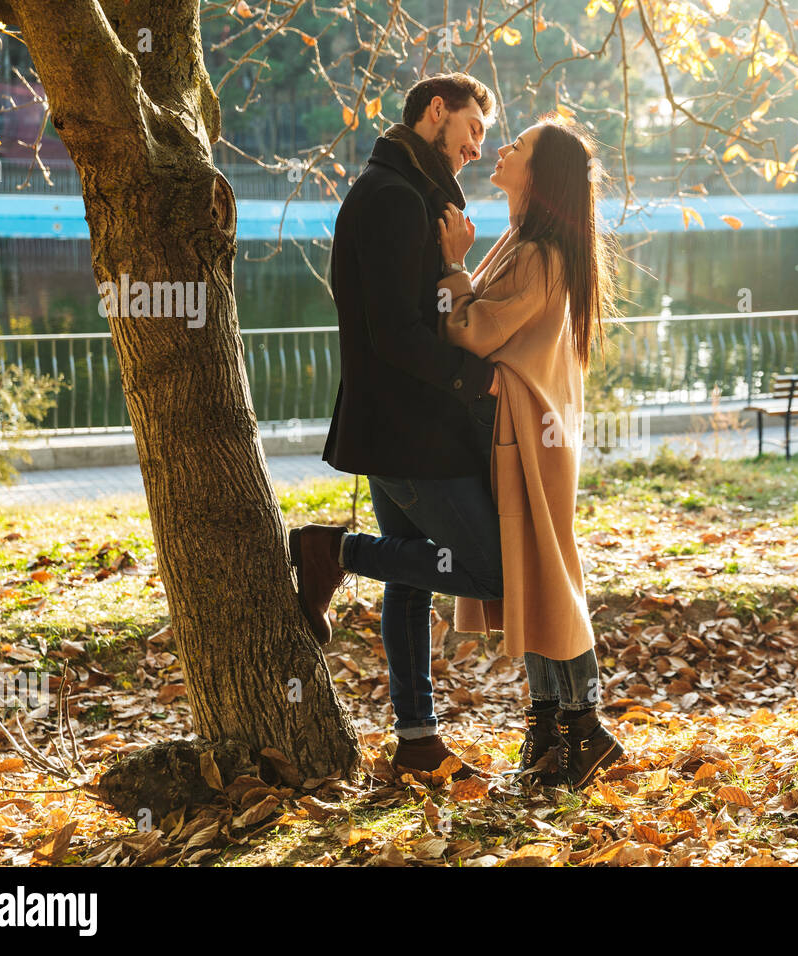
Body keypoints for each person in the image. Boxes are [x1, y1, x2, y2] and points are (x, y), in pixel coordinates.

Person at [289, 73, 502, 782]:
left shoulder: (405, 193)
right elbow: (393, 334)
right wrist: (477, 378)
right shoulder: (390, 197)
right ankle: (334, 553)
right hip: (414, 434)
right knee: (488, 569)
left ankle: (415, 740)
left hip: (403, 427)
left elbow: (409, 313)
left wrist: (452, 266)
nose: (477, 146)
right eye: (473, 127)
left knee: (411, 582)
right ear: (435, 113)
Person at [434, 116, 624, 789]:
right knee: (531, 578)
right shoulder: (527, 243)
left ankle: (586, 726)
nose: (503, 149)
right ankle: (549, 725)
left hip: (530, 434)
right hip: (526, 432)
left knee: (545, 576)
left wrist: (454, 265)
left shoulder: (540, 254)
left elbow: (474, 329)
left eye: (520, 147)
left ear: (541, 175)